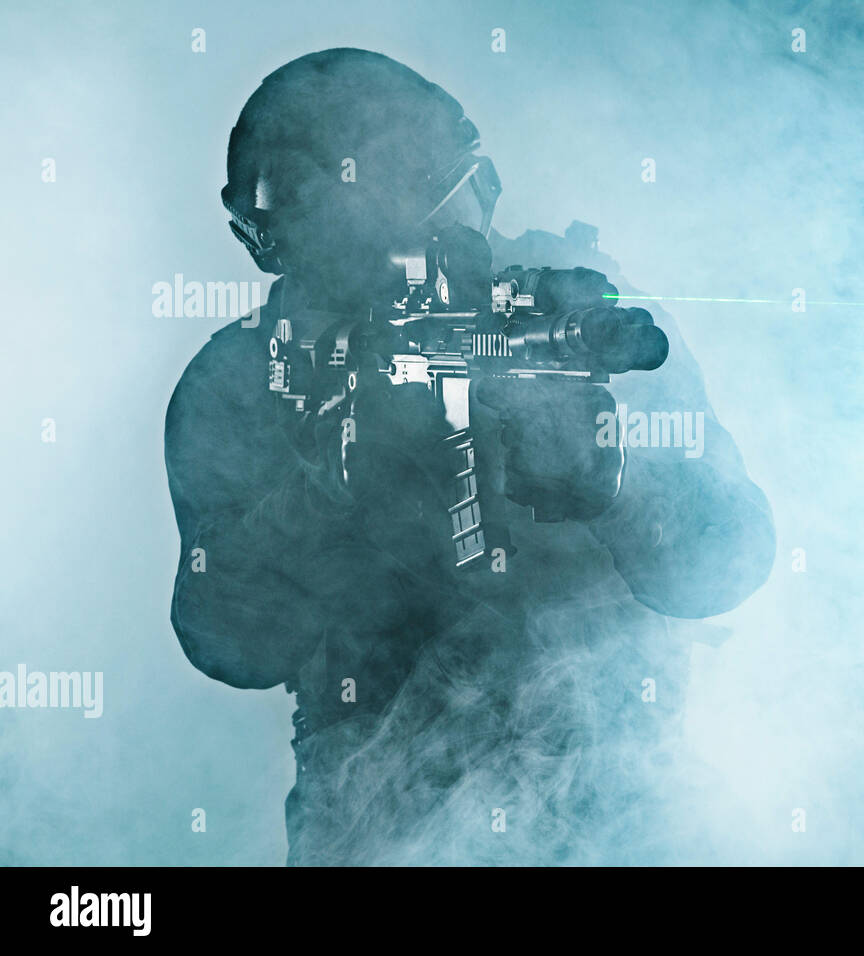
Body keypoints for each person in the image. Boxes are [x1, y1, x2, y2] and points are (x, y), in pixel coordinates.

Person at [164, 48, 774, 864]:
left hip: (615, 801)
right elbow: (222, 638)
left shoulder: (573, 322)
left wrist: (618, 487)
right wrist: (331, 490)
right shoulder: (246, 378)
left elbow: (730, 561)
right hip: (376, 816)